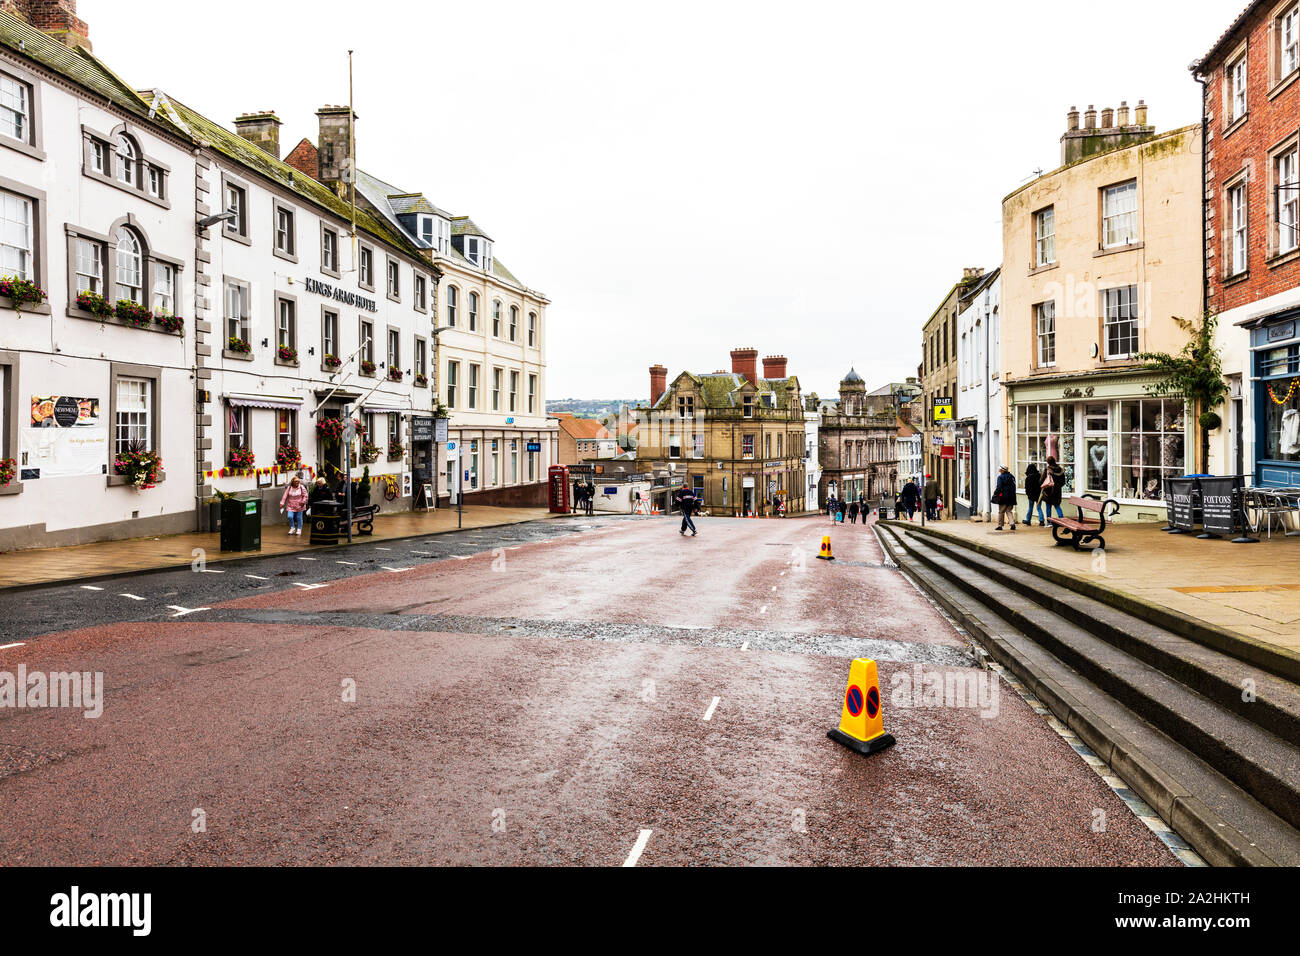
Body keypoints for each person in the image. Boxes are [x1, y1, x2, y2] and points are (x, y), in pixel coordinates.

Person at [992, 465, 1017, 531]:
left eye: (999, 469)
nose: (999, 470)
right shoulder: (1012, 476)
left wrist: (995, 493)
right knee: (1009, 511)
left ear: (1002, 470)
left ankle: (1000, 525)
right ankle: (1012, 524)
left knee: (1001, 511)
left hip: (1003, 496)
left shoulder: (1000, 477)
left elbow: (999, 487)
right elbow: (1014, 486)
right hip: (1012, 496)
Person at [1042, 455, 1066, 520]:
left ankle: (1049, 522)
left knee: (1048, 507)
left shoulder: (1047, 470)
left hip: (1049, 491)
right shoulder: (1060, 470)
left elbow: (1041, 480)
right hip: (1057, 491)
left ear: (1048, 462)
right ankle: (1062, 519)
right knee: (1057, 506)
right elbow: (1063, 482)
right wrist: (1058, 486)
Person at [1023, 462, 1045, 527]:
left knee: (1030, 508)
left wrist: (1028, 494)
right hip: (1038, 495)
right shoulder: (1039, 475)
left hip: (1031, 495)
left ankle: (1028, 520)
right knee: (1039, 508)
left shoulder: (1028, 477)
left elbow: (1027, 488)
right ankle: (1041, 521)